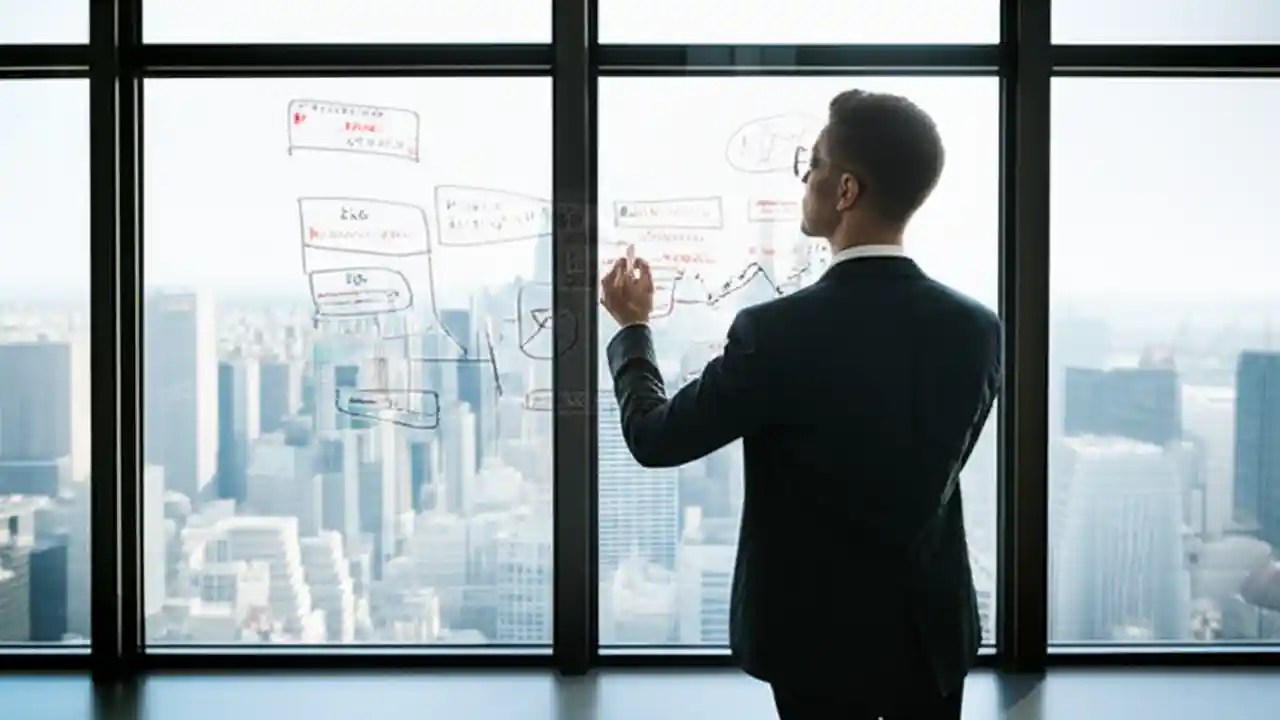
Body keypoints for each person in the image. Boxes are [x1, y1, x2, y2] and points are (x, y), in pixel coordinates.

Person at [599, 89, 1002, 720]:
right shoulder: (977, 328)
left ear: (845, 191)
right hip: (930, 631)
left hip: (813, 642)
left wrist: (632, 331)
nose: (804, 180)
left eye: (811, 165)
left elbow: (655, 438)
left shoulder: (775, 332)